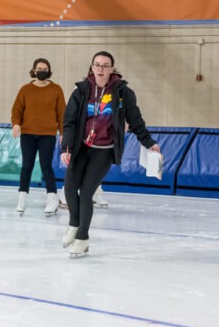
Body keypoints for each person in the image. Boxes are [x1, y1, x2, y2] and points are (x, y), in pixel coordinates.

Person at [60, 51, 160, 258]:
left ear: (112, 69)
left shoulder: (123, 93)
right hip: (81, 147)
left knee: (87, 193)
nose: (101, 69)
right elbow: (69, 121)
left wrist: (148, 142)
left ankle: (83, 238)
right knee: (69, 188)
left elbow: (135, 119)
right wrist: (66, 148)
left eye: (105, 65)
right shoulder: (81, 91)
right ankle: (74, 224)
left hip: (104, 151)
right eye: (97, 65)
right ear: (92, 67)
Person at [11, 58, 66, 216]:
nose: (42, 71)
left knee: (46, 166)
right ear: (34, 71)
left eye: (45, 68)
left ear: (48, 71)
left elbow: (62, 113)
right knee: (26, 166)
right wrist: (16, 124)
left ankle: (52, 198)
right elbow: (17, 110)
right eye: (39, 68)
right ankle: (21, 199)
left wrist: (63, 132)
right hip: (27, 134)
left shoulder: (56, 90)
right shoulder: (25, 90)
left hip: (47, 134)